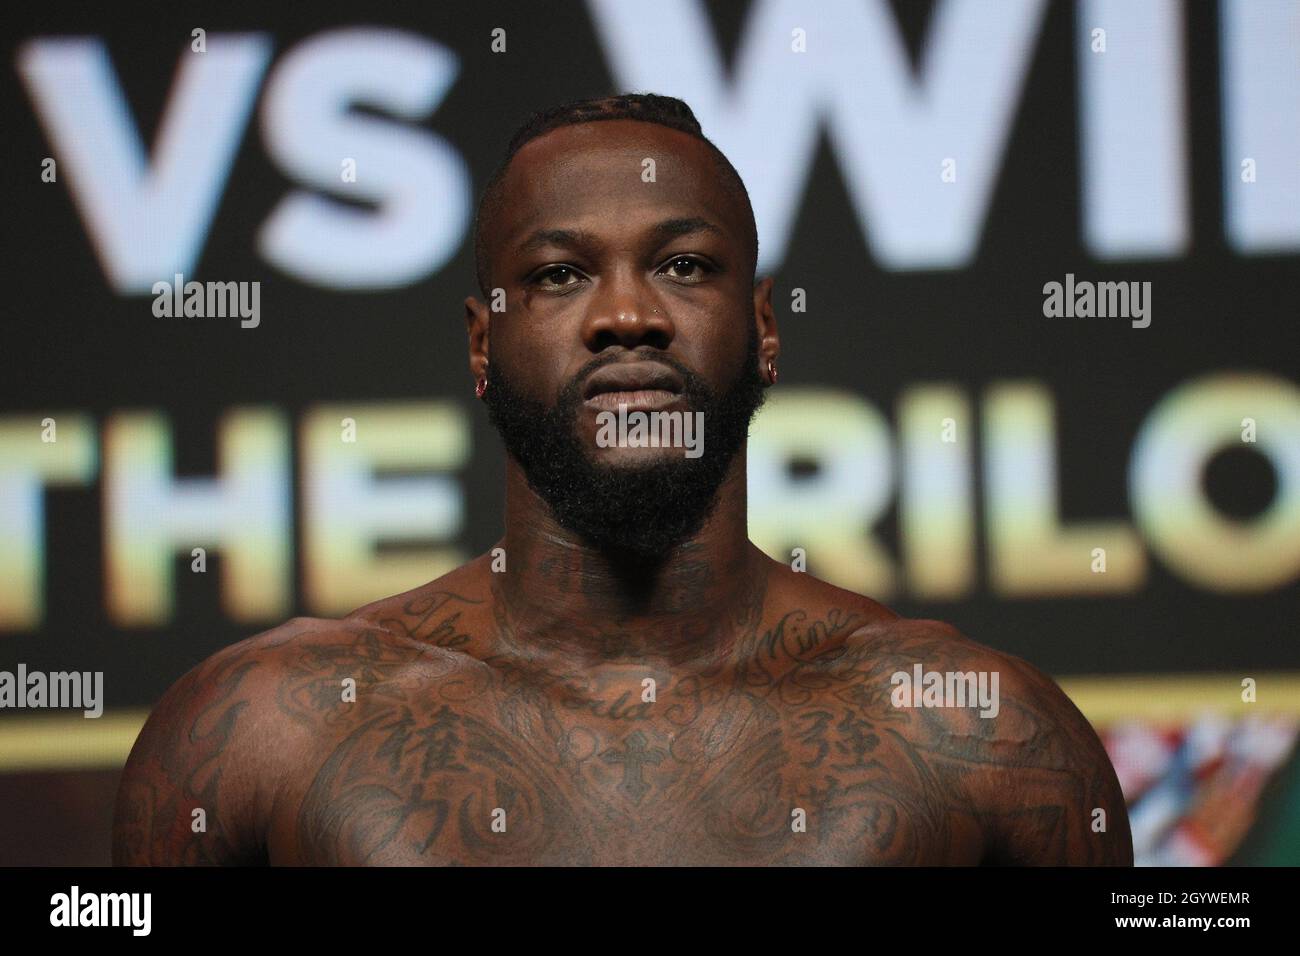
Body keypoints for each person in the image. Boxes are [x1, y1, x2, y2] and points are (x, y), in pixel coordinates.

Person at [112, 93, 1132, 866]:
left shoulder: (981, 731)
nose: (628, 314)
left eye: (683, 264)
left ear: (765, 326)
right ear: (481, 343)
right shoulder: (257, 731)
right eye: (559, 273)